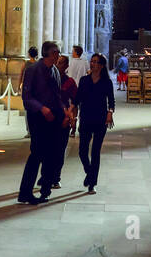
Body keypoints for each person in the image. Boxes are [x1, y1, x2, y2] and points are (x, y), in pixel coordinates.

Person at [17, 40, 64, 205]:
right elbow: (27, 97)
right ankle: (25, 192)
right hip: (37, 117)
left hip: (53, 117)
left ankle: (45, 190)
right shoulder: (33, 70)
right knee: (36, 153)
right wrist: (43, 109)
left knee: (52, 154)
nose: (59, 55)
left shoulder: (55, 71)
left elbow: (57, 96)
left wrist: (63, 113)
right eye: (57, 52)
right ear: (50, 54)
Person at [76, 53, 115, 194]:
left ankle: (92, 183)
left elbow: (111, 101)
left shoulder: (106, 82)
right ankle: (90, 173)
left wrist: (110, 112)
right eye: (92, 61)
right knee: (82, 151)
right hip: (86, 118)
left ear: (102, 65)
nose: (93, 64)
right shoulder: (84, 80)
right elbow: (77, 98)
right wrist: (72, 112)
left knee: (95, 152)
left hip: (100, 119)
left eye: (96, 62)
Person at [50, 55, 79, 189]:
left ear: (66, 66)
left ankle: (56, 177)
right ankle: (47, 175)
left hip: (64, 119)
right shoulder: (49, 80)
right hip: (50, 119)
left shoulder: (70, 82)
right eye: (57, 62)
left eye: (61, 63)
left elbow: (75, 101)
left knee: (60, 149)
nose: (58, 64)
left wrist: (73, 120)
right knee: (49, 149)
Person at [18, 46, 39, 137]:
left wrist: (19, 87)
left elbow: (21, 76)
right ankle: (35, 129)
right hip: (37, 90)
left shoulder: (26, 64)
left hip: (27, 90)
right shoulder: (38, 64)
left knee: (28, 110)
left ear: (29, 54)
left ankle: (29, 131)